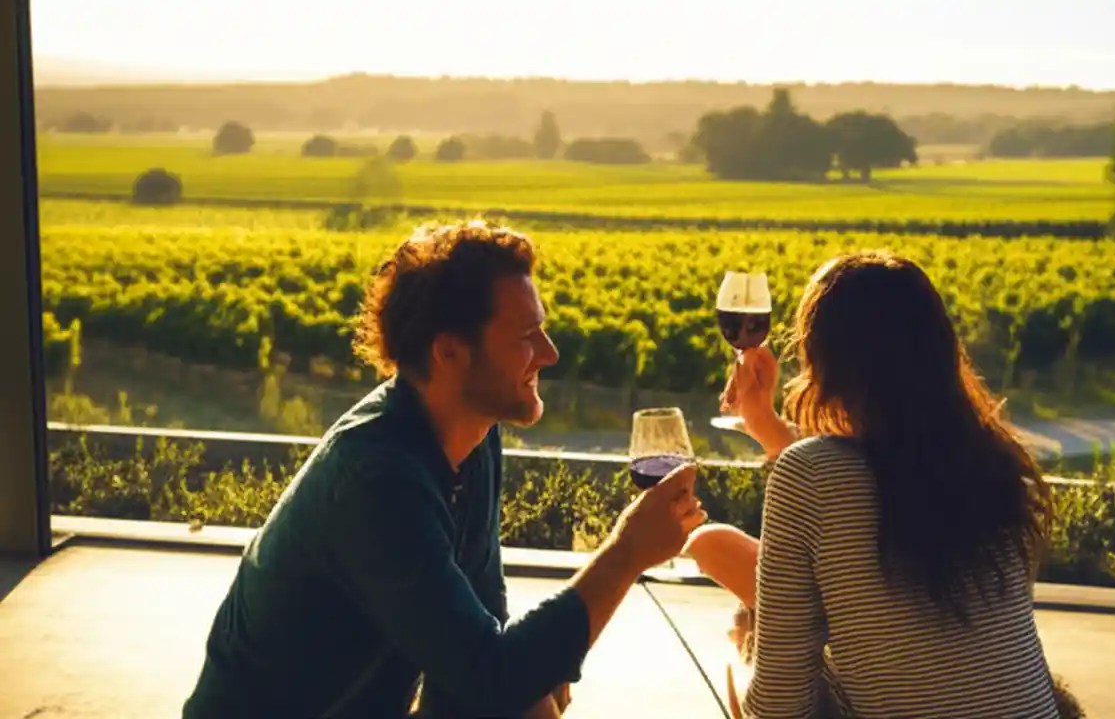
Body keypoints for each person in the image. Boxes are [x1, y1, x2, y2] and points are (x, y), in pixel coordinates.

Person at [183, 221, 707, 719]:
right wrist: (626, 554)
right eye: (527, 336)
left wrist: (536, 675)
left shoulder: (472, 435)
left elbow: (484, 629)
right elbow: (490, 675)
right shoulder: (377, 479)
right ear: (450, 351)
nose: (549, 354)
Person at [685, 250, 1060, 718]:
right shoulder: (995, 466)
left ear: (823, 364)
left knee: (736, 638)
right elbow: (880, 485)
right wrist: (766, 425)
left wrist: (747, 653)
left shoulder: (810, 474)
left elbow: (779, 707)